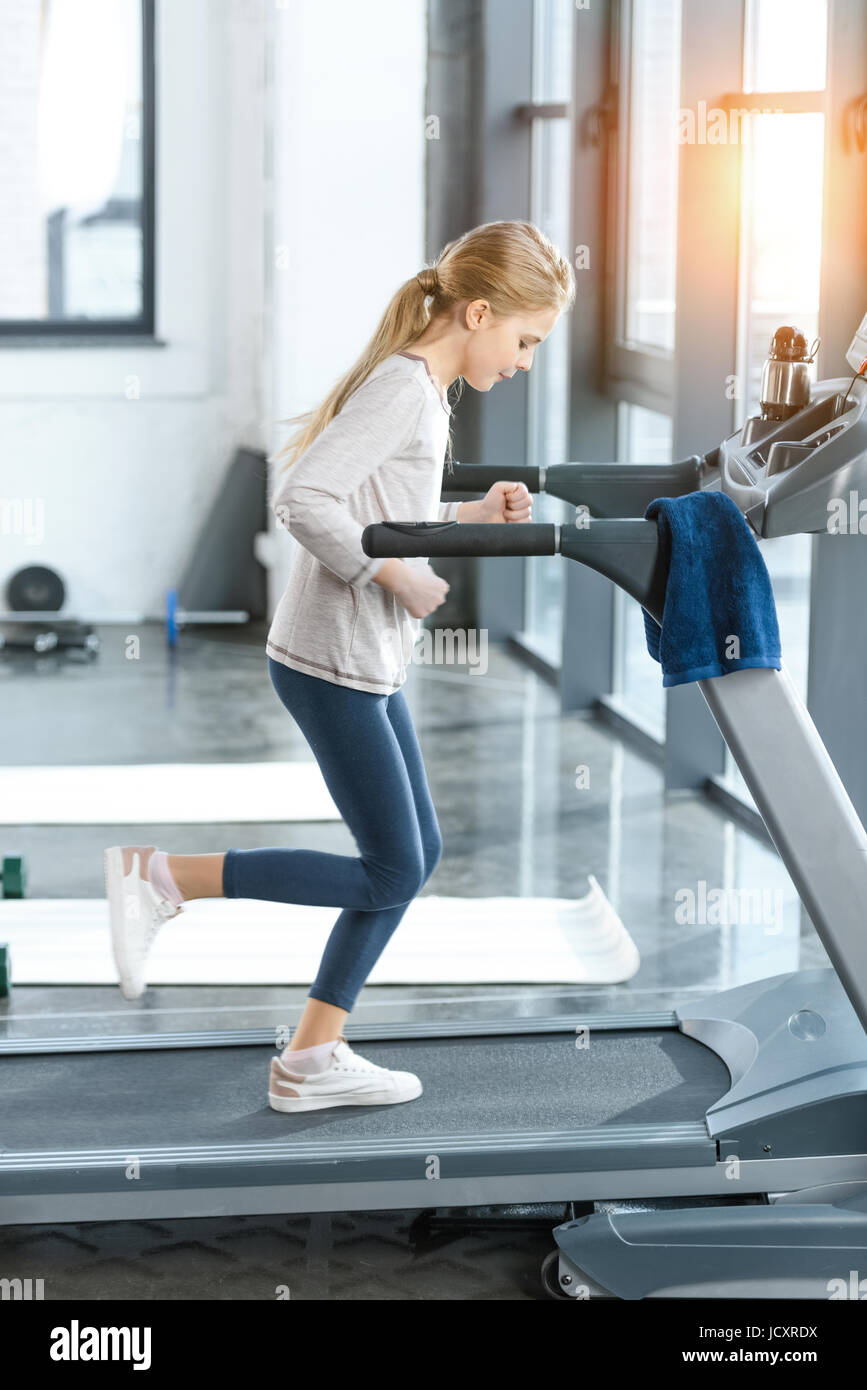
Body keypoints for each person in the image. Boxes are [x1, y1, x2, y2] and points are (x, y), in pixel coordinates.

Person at [104, 219, 575, 1112]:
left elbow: (382, 496)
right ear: (478, 313)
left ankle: (312, 1055)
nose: (522, 362)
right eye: (524, 340)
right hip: (332, 661)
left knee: (413, 854)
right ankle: (161, 877)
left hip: (360, 660)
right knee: (393, 868)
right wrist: (391, 572)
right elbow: (306, 498)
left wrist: (468, 516)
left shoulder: (426, 391)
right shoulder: (405, 388)